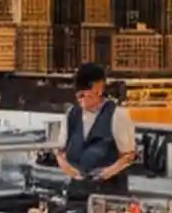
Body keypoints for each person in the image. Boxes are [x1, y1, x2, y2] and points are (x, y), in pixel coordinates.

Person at [55, 62, 137, 203]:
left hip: (108, 195)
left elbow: (128, 156)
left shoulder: (117, 115)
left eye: (85, 95)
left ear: (98, 89)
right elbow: (60, 152)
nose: (81, 99)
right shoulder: (71, 115)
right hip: (77, 195)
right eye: (78, 95)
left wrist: (106, 173)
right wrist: (73, 173)